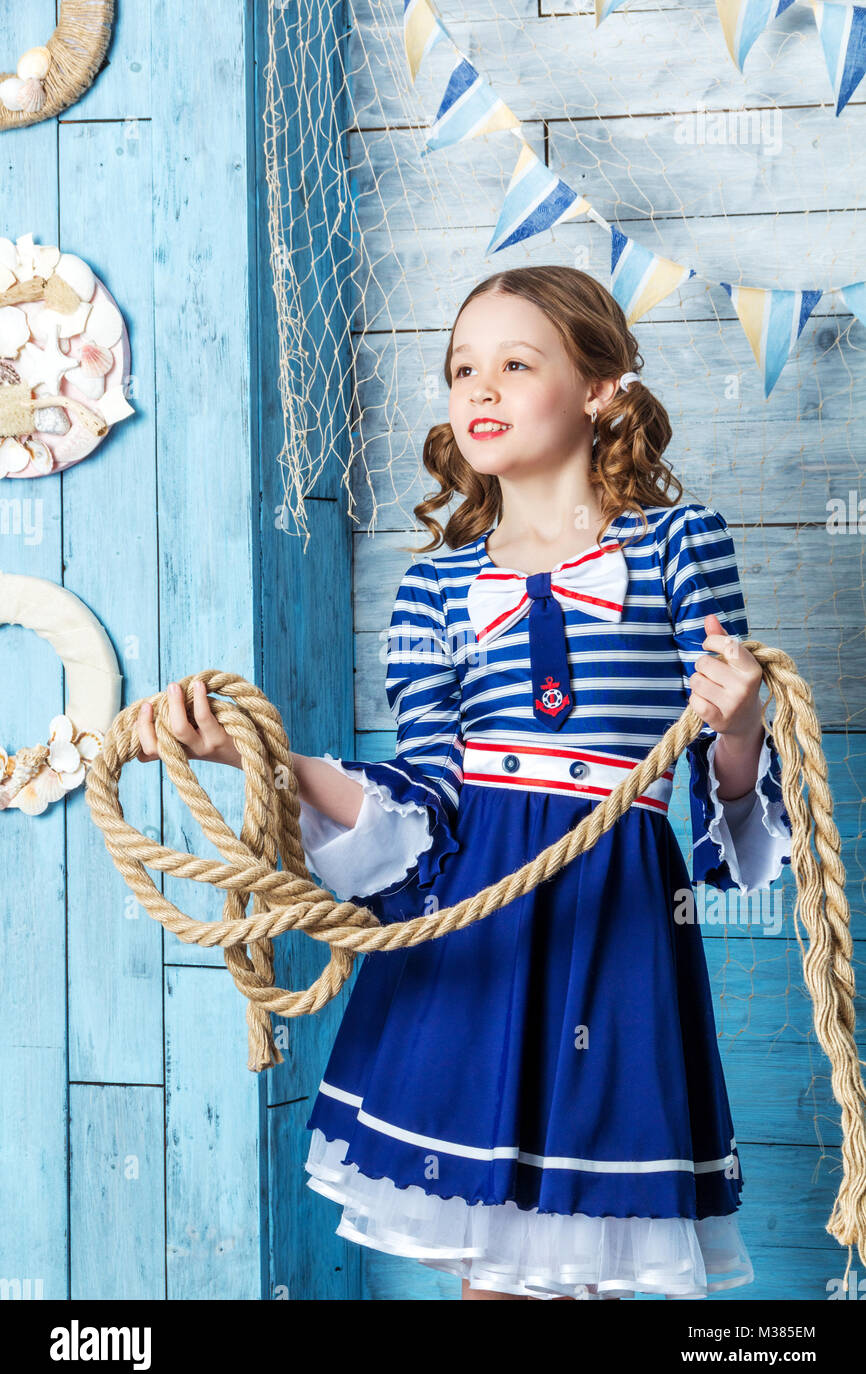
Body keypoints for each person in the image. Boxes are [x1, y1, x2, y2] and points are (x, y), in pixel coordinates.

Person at [136, 266, 790, 1300]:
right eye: (460, 369)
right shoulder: (433, 585)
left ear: (602, 388)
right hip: (474, 927)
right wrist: (261, 757)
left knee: (587, 1244)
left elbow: (722, 783)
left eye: (515, 364)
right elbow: (424, 801)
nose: (478, 390)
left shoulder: (677, 543)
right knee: (490, 1264)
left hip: (609, 915)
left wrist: (743, 720)